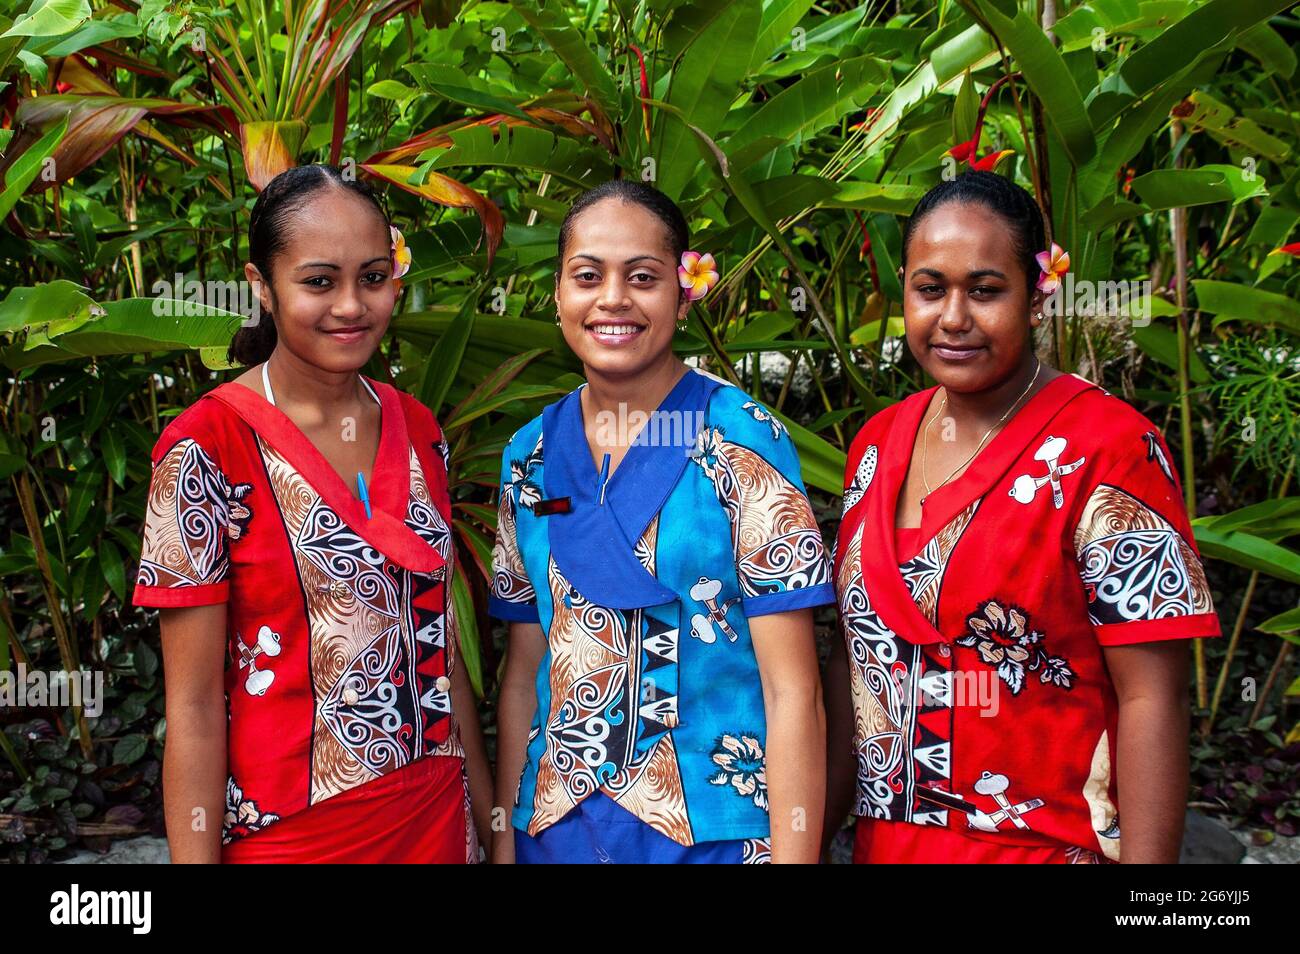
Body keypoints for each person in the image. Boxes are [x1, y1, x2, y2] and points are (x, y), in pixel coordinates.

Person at [824, 171, 1221, 863]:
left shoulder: (1112, 450)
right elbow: (850, 669)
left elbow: (1152, 700)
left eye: (984, 290)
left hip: (1042, 849)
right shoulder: (876, 443)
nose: (953, 317)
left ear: (1038, 296)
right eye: (930, 289)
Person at [133, 164, 492, 863]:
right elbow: (196, 709)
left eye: (375, 277)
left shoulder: (419, 429)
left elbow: (444, 653)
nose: (352, 305)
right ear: (262, 286)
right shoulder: (206, 449)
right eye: (319, 281)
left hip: (437, 821)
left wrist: (490, 826)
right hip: (294, 840)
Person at [489, 180, 832, 864]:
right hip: (556, 830)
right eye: (587, 276)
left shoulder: (742, 441)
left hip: (715, 830)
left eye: (642, 277)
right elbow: (524, 669)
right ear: (558, 294)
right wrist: (506, 839)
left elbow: (794, 689)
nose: (613, 298)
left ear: (683, 291)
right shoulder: (527, 454)